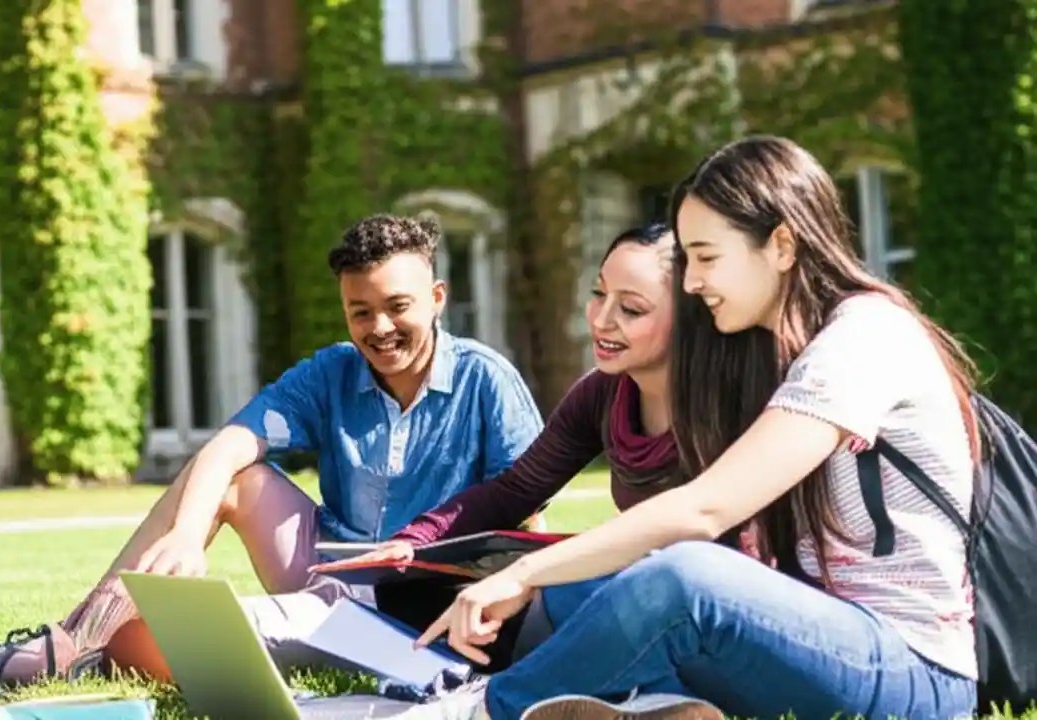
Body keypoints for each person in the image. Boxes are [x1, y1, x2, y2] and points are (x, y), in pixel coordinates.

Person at [415, 136, 980, 720]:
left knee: (682, 575)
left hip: (911, 670)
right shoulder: (781, 349)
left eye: (706, 257)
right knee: (580, 586)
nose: (690, 283)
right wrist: (538, 575)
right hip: (812, 637)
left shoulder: (865, 338)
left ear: (781, 245)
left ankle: (489, 712)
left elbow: (704, 509)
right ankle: (663, 704)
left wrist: (525, 568)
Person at [0, 213, 545, 690]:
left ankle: (137, 648)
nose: (379, 327)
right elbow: (228, 446)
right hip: (328, 570)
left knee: (184, 639)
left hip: (425, 595)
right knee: (233, 473)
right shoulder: (333, 371)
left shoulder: (486, 380)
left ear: (437, 297)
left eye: (398, 306)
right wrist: (186, 535)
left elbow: (524, 521)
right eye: (359, 312)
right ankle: (79, 636)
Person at [311, 223, 768, 617]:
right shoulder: (602, 394)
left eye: (631, 309)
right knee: (423, 593)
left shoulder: (736, 398)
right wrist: (414, 542)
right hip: (644, 580)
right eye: (598, 295)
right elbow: (515, 490)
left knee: (566, 595)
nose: (602, 320)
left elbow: (727, 543)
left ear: (689, 317)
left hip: (726, 599)